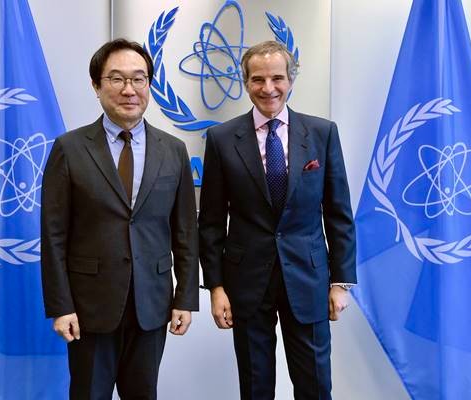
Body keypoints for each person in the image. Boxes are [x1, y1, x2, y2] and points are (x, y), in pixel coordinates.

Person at [41, 38, 199, 400]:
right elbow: (53, 235)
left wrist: (185, 297)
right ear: (97, 86)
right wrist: (61, 306)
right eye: (116, 79)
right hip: (89, 306)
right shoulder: (69, 148)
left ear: (149, 85)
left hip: (152, 304)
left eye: (138, 79)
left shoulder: (173, 150)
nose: (129, 89)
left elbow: (185, 233)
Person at [198, 41, 356, 399]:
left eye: (277, 78)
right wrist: (216, 287)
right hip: (246, 282)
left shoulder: (322, 133)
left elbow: (339, 214)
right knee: (256, 387)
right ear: (245, 83)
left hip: (309, 279)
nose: (268, 88)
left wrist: (340, 282)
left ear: (290, 80)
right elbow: (211, 222)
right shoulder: (222, 139)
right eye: (257, 79)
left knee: (315, 386)